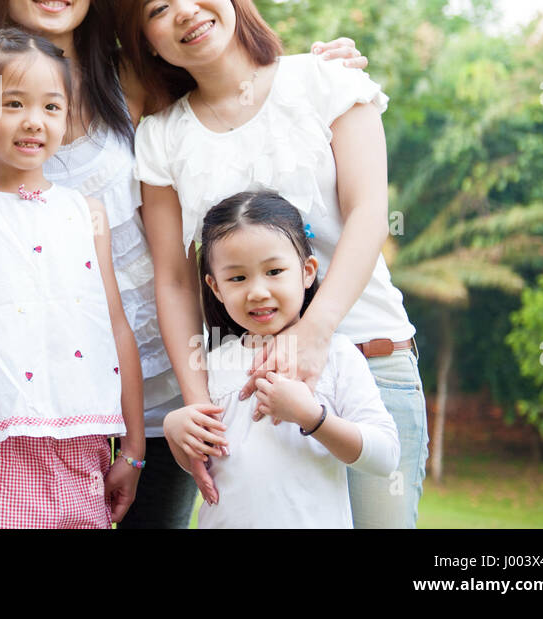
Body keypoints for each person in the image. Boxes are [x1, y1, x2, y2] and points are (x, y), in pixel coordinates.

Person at [0, 0, 368, 529]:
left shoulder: (131, 80)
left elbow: (234, 106)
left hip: (159, 396)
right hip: (29, 402)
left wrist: (321, 69)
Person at [115, 0, 428, 529]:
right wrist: (200, 401)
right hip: (246, 387)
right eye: (156, 9)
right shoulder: (160, 137)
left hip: (368, 357)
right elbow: (177, 283)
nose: (183, 11)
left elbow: (369, 213)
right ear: (147, 41)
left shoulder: (324, 81)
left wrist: (315, 331)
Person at [0, 28, 145, 529]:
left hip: (85, 448)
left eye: (51, 107)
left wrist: (134, 449)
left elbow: (116, 327)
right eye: (13, 104)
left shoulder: (85, 212)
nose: (34, 122)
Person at [167, 189, 399, 528]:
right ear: (215, 287)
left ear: (307, 272)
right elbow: (206, 464)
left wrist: (311, 416)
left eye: (274, 271)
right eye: (237, 278)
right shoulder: (212, 366)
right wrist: (177, 432)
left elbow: (385, 457)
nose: (258, 291)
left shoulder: (335, 356)